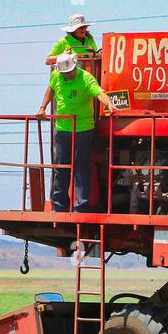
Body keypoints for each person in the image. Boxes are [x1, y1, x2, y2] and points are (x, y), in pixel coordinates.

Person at [38, 51, 117, 213]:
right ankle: (59, 206)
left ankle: (82, 205)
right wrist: (42, 107)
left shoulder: (86, 78)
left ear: (75, 67)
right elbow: (51, 89)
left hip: (82, 128)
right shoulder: (56, 76)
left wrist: (108, 104)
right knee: (61, 167)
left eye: (69, 71)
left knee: (80, 166)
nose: (67, 75)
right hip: (62, 128)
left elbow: (98, 92)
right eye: (64, 73)